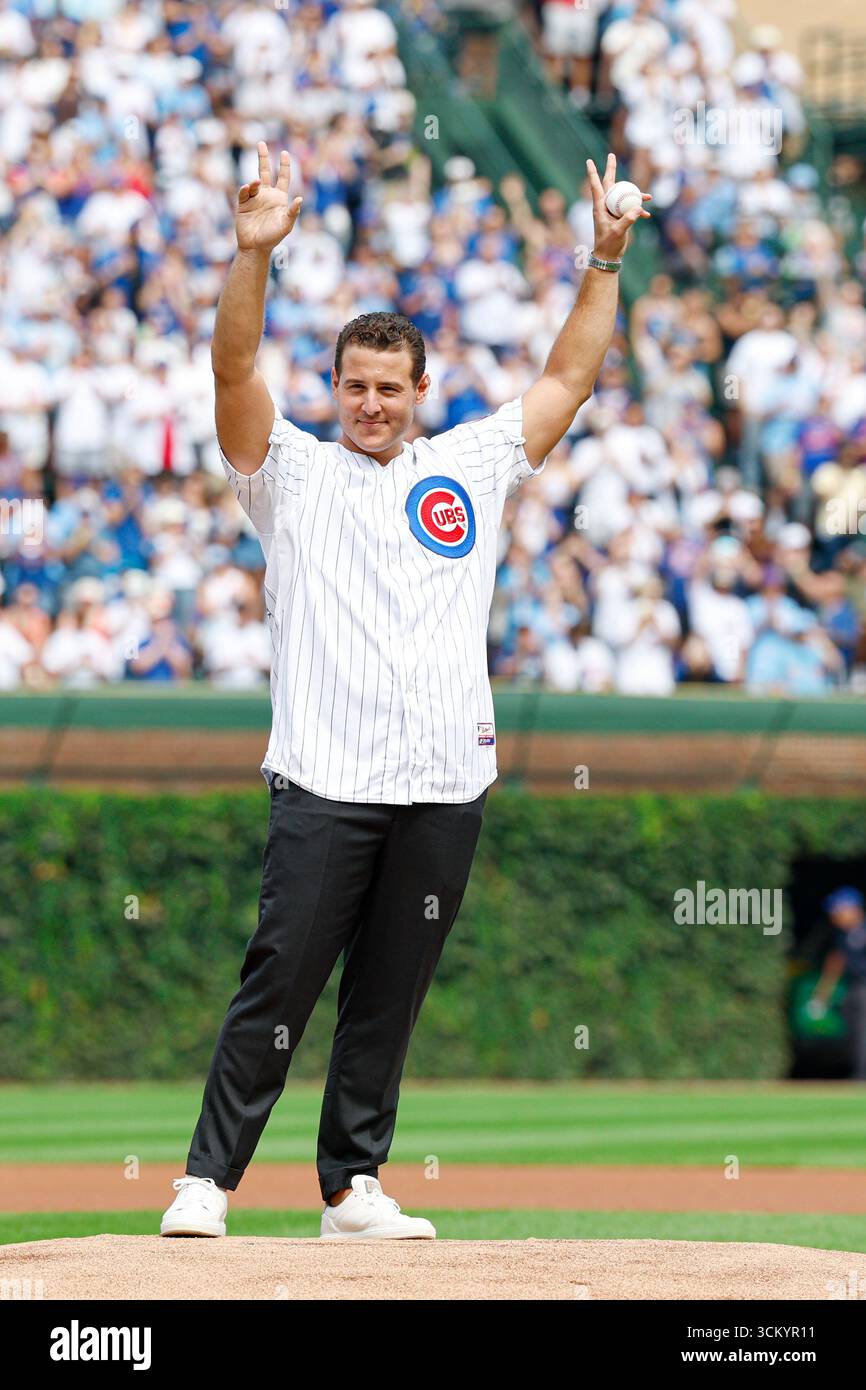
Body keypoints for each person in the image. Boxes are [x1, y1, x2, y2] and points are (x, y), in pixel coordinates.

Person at [159, 142, 649, 1241]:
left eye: (389, 387)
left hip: (443, 780)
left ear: (419, 391)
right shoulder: (288, 473)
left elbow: (566, 379)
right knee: (280, 983)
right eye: (355, 386)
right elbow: (232, 374)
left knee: (389, 993)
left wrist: (605, 261)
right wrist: (253, 255)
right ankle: (207, 1180)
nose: (371, 403)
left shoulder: (469, 464)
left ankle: (352, 1187)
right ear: (333, 387)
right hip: (324, 776)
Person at [808, 888, 866, 1081]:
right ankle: (859, 1074)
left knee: (863, 1031)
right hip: (854, 988)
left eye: (838, 910)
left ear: (853, 909)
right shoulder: (842, 936)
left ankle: (862, 1077)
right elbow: (835, 964)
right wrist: (821, 995)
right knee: (854, 1032)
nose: (834, 915)